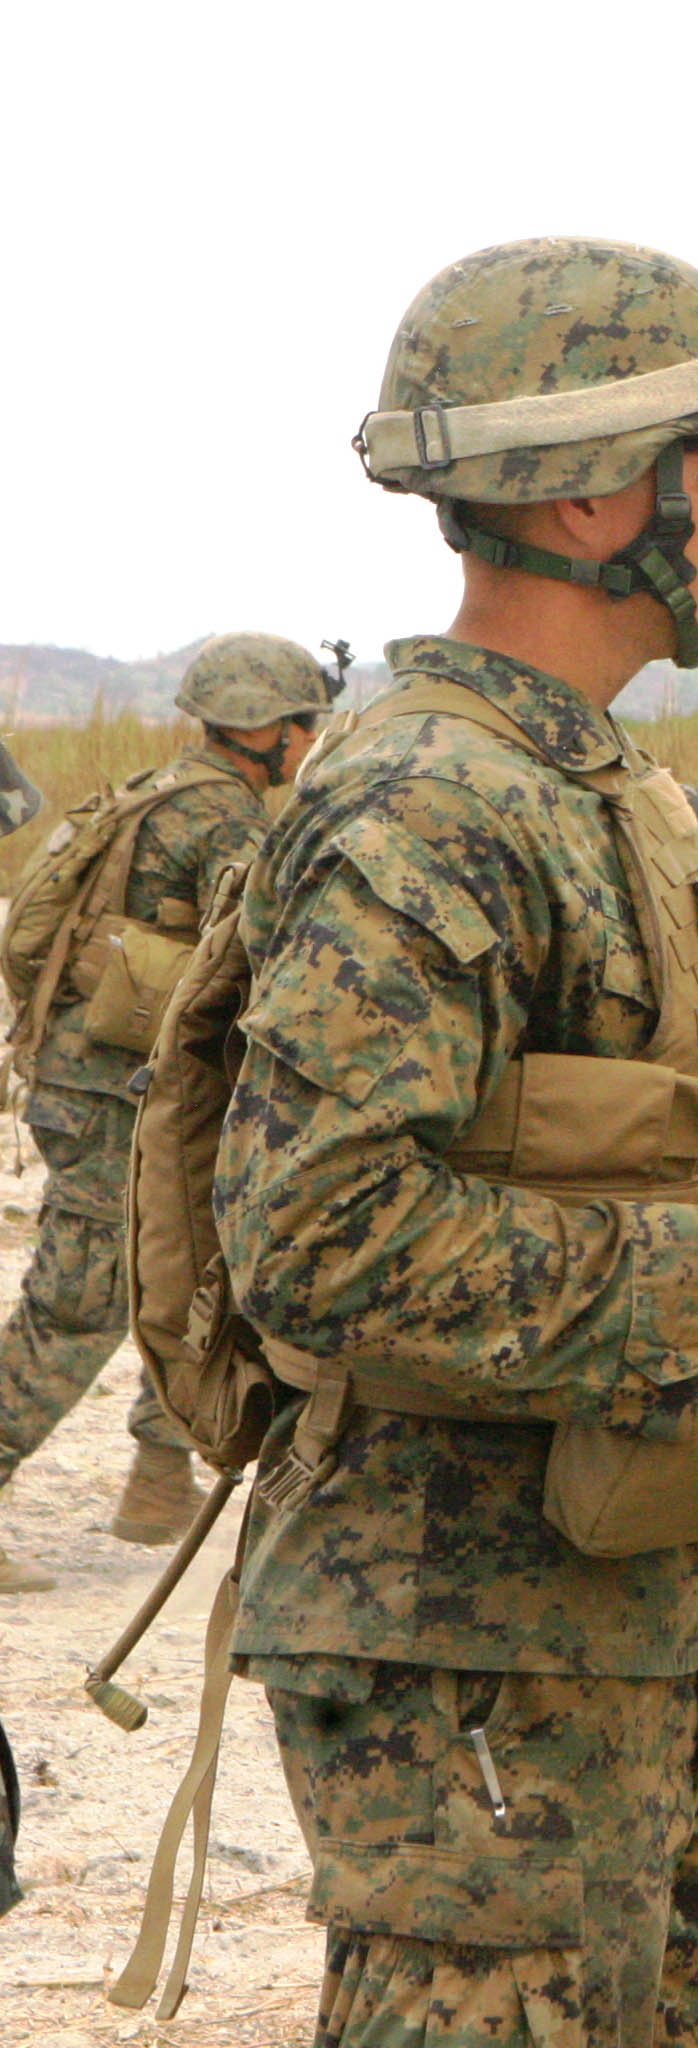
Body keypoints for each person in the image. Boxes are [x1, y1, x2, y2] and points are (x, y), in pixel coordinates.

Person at [213, 229, 698, 2047]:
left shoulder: (599, 788)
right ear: (596, 500)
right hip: (453, 1646)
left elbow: (652, 1174)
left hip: (594, 1609)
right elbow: (317, 1234)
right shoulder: (427, 800)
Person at [0, 634, 329, 1594]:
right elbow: (269, 956)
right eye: (305, 724)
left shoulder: (153, 790)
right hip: (117, 1096)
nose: (312, 742)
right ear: (265, 729)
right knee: (83, 1299)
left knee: (185, 1264)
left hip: (103, 1084)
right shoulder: (224, 821)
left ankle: (158, 1474)